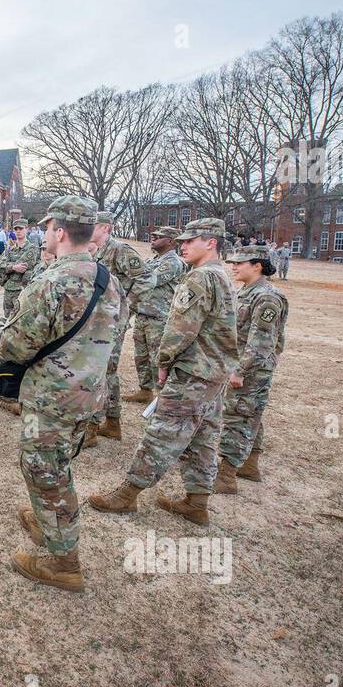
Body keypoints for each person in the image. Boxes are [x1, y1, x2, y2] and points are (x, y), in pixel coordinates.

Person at [3, 196, 121, 593]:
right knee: (57, 463)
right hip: (88, 394)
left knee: (44, 470)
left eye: (48, 226)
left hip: (51, 398)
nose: (44, 232)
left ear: (59, 231)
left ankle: (64, 563)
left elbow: (16, 346)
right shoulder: (107, 278)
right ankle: (46, 518)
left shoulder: (53, 280)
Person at [88, 218, 237, 527]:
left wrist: (164, 362)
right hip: (213, 374)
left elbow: (181, 329)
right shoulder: (220, 276)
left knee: (161, 433)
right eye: (181, 240)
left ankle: (127, 495)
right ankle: (197, 502)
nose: (182, 244)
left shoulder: (199, 278)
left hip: (193, 372)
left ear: (211, 242)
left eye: (190, 240)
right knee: (203, 438)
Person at [216, 245, 289, 492]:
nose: (234, 267)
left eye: (240, 263)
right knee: (250, 413)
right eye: (233, 263)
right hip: (242, 363)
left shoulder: (266, 296)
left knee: (239, 416)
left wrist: (240, 371)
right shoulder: (247, 291)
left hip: (252, 368)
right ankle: (249, 464)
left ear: (257, 265)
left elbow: (262, 342)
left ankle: (226, 476)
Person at [85, 212, 146, 444]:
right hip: (96, 322)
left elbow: (145, 278)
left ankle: (92, 427)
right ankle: (112, 422)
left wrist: (124, 304)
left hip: (111, 324)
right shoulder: (95, 251)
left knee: (100, 371)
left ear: (106, 228)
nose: (90, 229)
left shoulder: (120, 250)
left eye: (94, 225)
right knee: (107, 372)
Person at [122, 225, 187, 403]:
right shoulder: (154, 260)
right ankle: (145, 391)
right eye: (153, 235)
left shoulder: (173, 262)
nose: (153, 238)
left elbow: (150, 280)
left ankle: (162, 398)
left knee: (157, 360)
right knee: (141, 357)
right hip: (144, 314)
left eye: (158, 236)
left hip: (159, 318)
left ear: (171, 241)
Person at [0, 218, 40, 319]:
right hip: (8, 290)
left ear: (26, 229)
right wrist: (14, 267)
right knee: (7, 319)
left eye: (21, 228)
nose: (18, 231)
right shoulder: (9, 249)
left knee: (21, 319)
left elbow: (25, 266)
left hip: (22, 290)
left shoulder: (31, 248)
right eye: (16, 229)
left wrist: (8, 266)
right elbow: (0, 267)